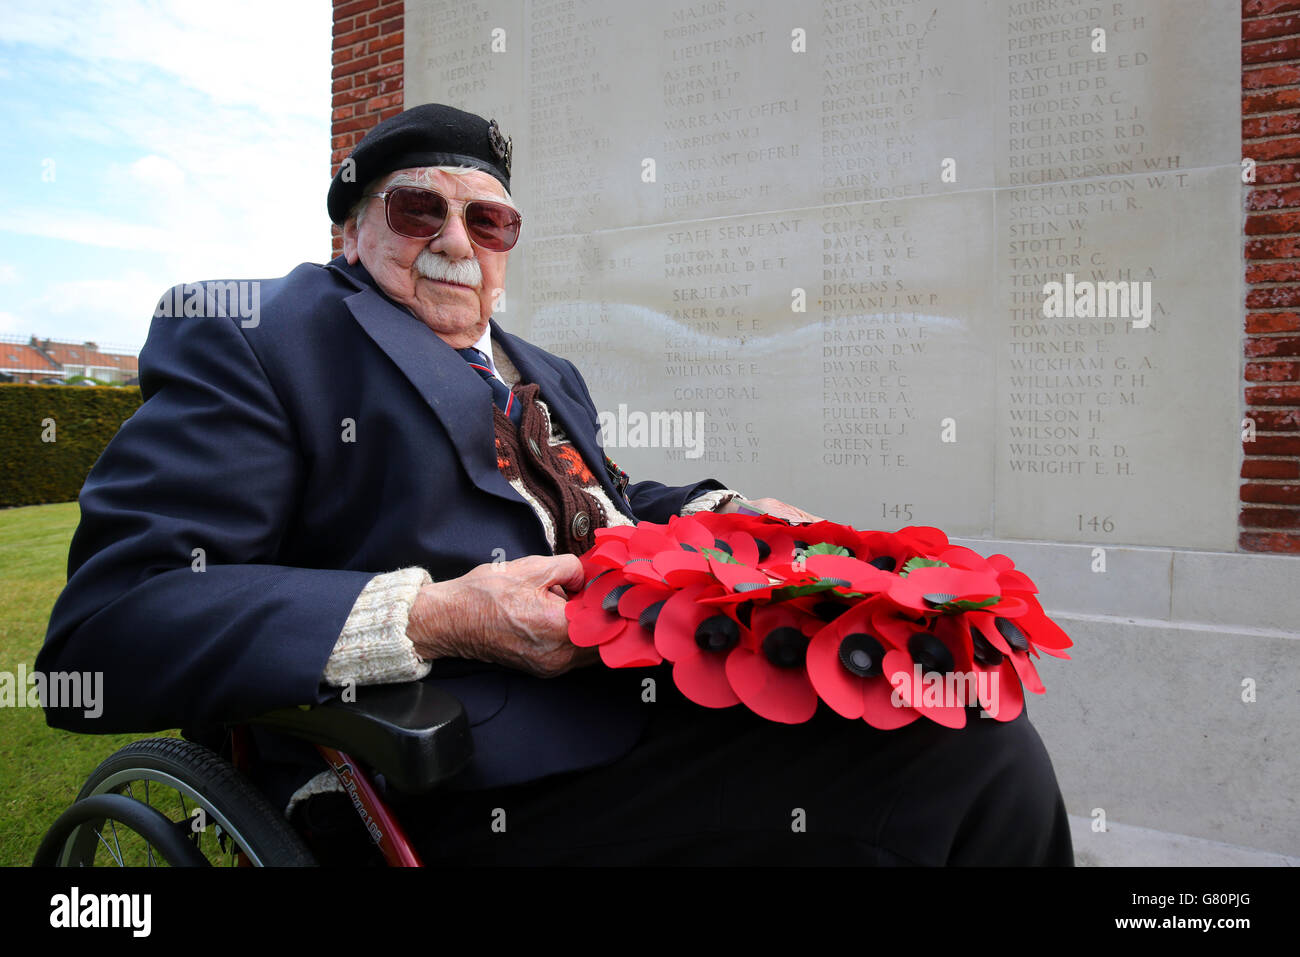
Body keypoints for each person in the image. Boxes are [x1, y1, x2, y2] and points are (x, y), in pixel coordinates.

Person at [38, 104, 1073, 865]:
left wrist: (730, 514)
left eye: (489, 224)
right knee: (962, 760)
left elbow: (606, 504)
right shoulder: (258, 334)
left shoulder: (540, 367)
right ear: (349, 232)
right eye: (418, 211)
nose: (456, 242)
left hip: (656, 695)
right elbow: (113, 625)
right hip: (450, 771)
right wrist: (437, 614)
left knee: (942, 695)